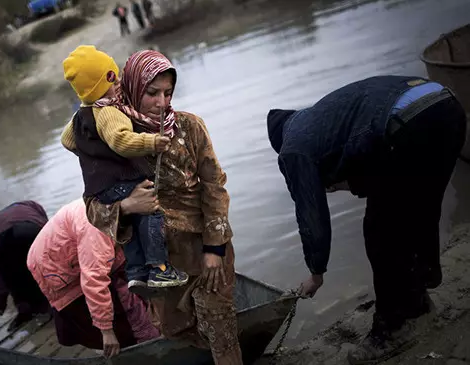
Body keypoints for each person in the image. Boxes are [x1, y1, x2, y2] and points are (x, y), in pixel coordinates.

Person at [265, 75, 467, 364]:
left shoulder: (292, 149)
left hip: (410, 125)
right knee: (420, 208)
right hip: (445, 105)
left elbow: (311, 213)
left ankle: (391, 329)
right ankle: (421, 290)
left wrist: (316, 272)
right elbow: (372, 166)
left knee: (379, 232)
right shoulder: (322, 117)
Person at [81, 50, 244, 365]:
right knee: (172, 328)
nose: (162, 102)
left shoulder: (189, 127)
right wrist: (127, 205)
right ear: (131, 88)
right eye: (152, 93)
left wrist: (215, 248)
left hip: (204, 249)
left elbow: (214, 187)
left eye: (168, 93)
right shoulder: (112, 139)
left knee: (222, 332)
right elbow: (92, 207)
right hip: (162, 264)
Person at [61, 45, 188, 291]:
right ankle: (159, 268)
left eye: (168, 93)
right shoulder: (110, 112)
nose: (117, 81)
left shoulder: (81, 116)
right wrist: (150, 142)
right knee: (150, 211)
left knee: (133, 222)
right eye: (111, 77)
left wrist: (93, 156)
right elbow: (121, 141)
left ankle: (137, 272)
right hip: (121, 182)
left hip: (102, 186)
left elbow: (67, 141)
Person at [26, 199, 160, 358]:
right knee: (110, 328)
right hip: (54, 267)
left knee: (132, 297)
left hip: (82, 250)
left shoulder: (120, 206)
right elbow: (93, 279)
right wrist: (106, 330)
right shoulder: (95, 224)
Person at [0, 200, 52, 349]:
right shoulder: (2, 257)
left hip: (31, 218)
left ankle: (47, 304)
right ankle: (25, 310)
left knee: (49, 268)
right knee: (14, 279)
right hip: (1, 226)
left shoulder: (45, 240)